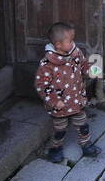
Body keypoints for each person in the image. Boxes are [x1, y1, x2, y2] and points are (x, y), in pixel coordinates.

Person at [34, 21, 100, 164]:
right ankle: (55, 148)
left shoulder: (75, 53)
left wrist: (92, 71)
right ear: (58, 45)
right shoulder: (47, 64)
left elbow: (83, 65)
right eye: (70, 40)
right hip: (60, 106)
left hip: (76, 100)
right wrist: (53, 100)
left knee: (83, 125)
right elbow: (41, 85)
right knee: (60, 130)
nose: (73, 42)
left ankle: (86, 144)